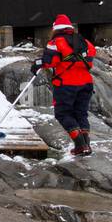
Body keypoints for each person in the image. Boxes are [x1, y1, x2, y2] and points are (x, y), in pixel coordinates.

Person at [33, 14, 96, 156]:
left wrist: (36, 64)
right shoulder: (84, 41)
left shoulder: (55, 42)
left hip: (66, 84)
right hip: (86, 83)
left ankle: (80, 145)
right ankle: (86, 145)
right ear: (69, 27)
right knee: (81, 113)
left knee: (63, 113)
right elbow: (91, 57)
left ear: (55, 28)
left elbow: (49, 62)